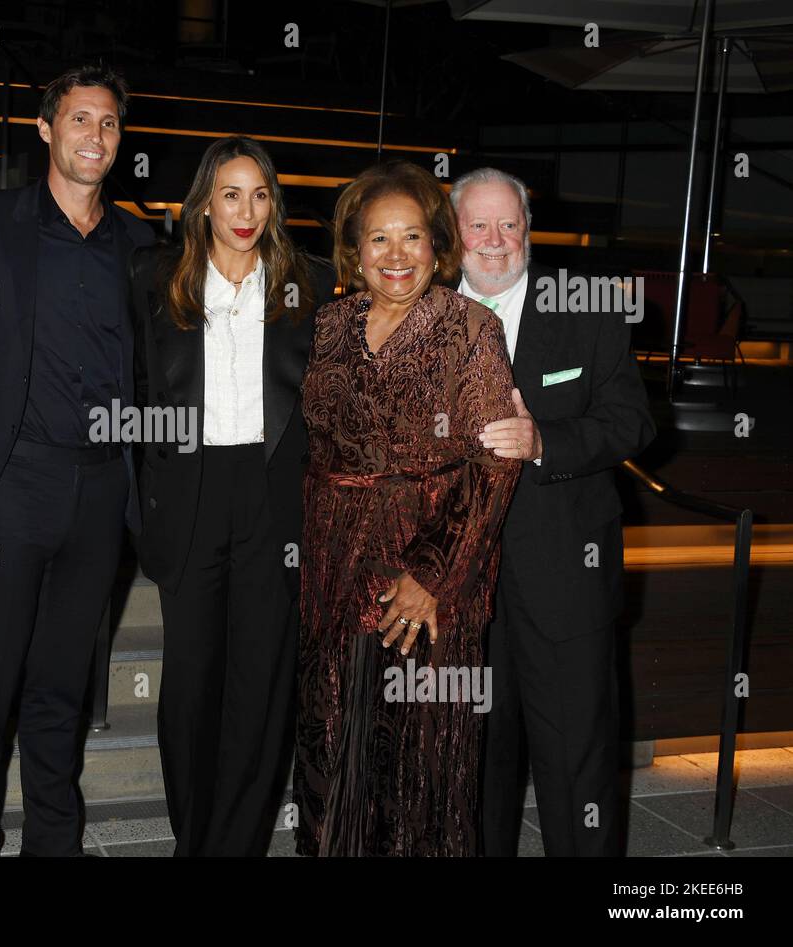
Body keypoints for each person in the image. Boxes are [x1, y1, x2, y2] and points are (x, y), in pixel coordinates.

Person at [0, 65, 155, 856]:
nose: (96, 136)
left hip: (99, 490)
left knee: (61, 692)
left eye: (110, 124)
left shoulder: (140, 243)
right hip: (9, 483)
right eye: (81, 120)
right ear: (46, 128)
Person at [294, 160, 522, 856]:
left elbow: (495, 460)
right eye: (379, 239)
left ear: (436, 246)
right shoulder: (329, 325)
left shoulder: (470, 329)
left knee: (413, 771)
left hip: (424, 582)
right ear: (354, 249)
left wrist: (432, 573)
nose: (397, 255)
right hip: (333, 572)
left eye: (413, 237)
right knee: (331, 748)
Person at [130, 136, 334, 856]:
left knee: (262, 685)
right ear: (204, 205)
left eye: (259, 194)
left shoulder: (311, 282)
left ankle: (237, 844)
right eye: (229, 194)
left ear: (273, 202)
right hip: (190, 490)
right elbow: (132, 396)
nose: (246, 210)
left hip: (276, 496)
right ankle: (197, 838)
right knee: (190, 688)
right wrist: (139, 504)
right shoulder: (158, 282)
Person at [450, 167, 655, 857]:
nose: (496, 239)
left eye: (510, 223)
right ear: (455, 234)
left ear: (529, 231)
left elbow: (632, 420)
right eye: (479, 224)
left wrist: (545, 441)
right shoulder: (420, 315)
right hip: (454, 588)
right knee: (472, 773)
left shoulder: (586, 307)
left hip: (565, 578)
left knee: (578, 774)